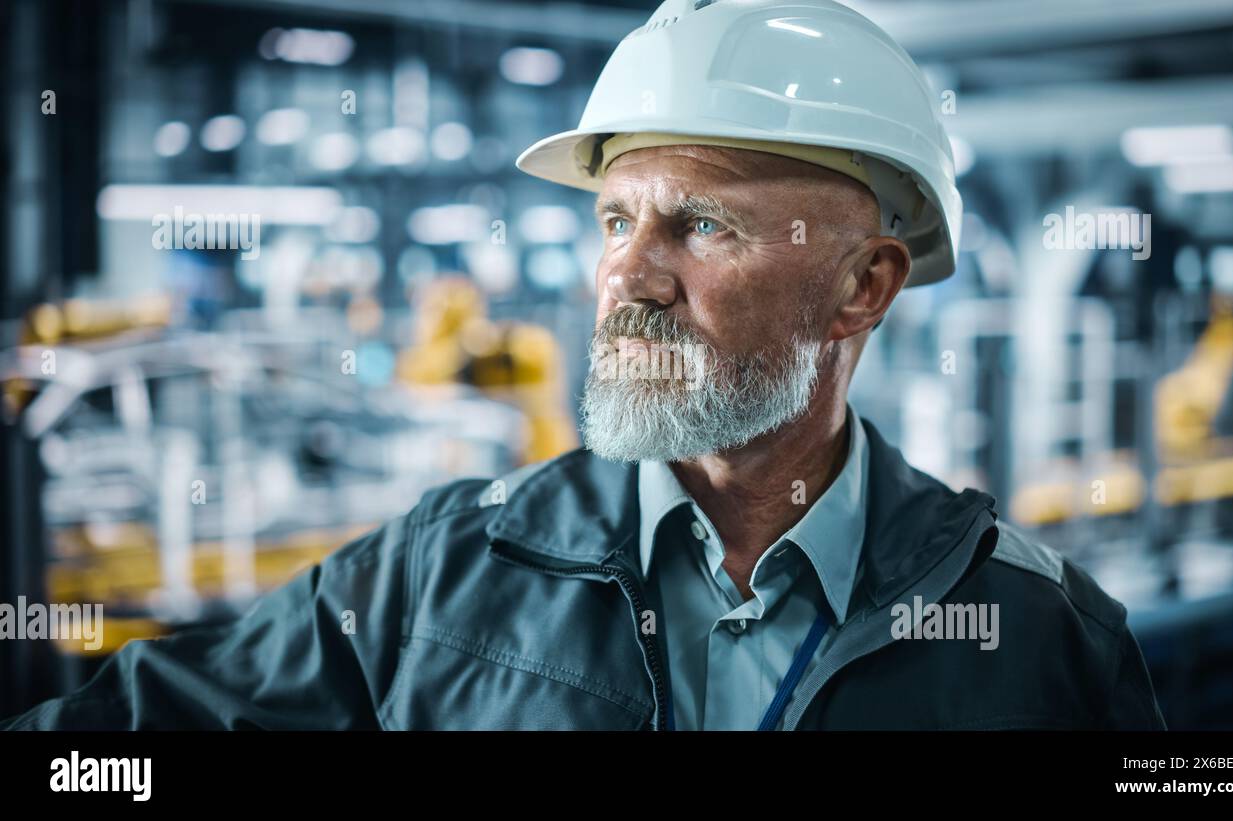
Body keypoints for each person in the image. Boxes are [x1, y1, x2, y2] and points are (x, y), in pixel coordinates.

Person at [3, 0, 1164, 730]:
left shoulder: (1043, 632)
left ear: (861, 285)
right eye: (615, 221)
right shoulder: (437, 576)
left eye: (701, 224)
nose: (630, 278)